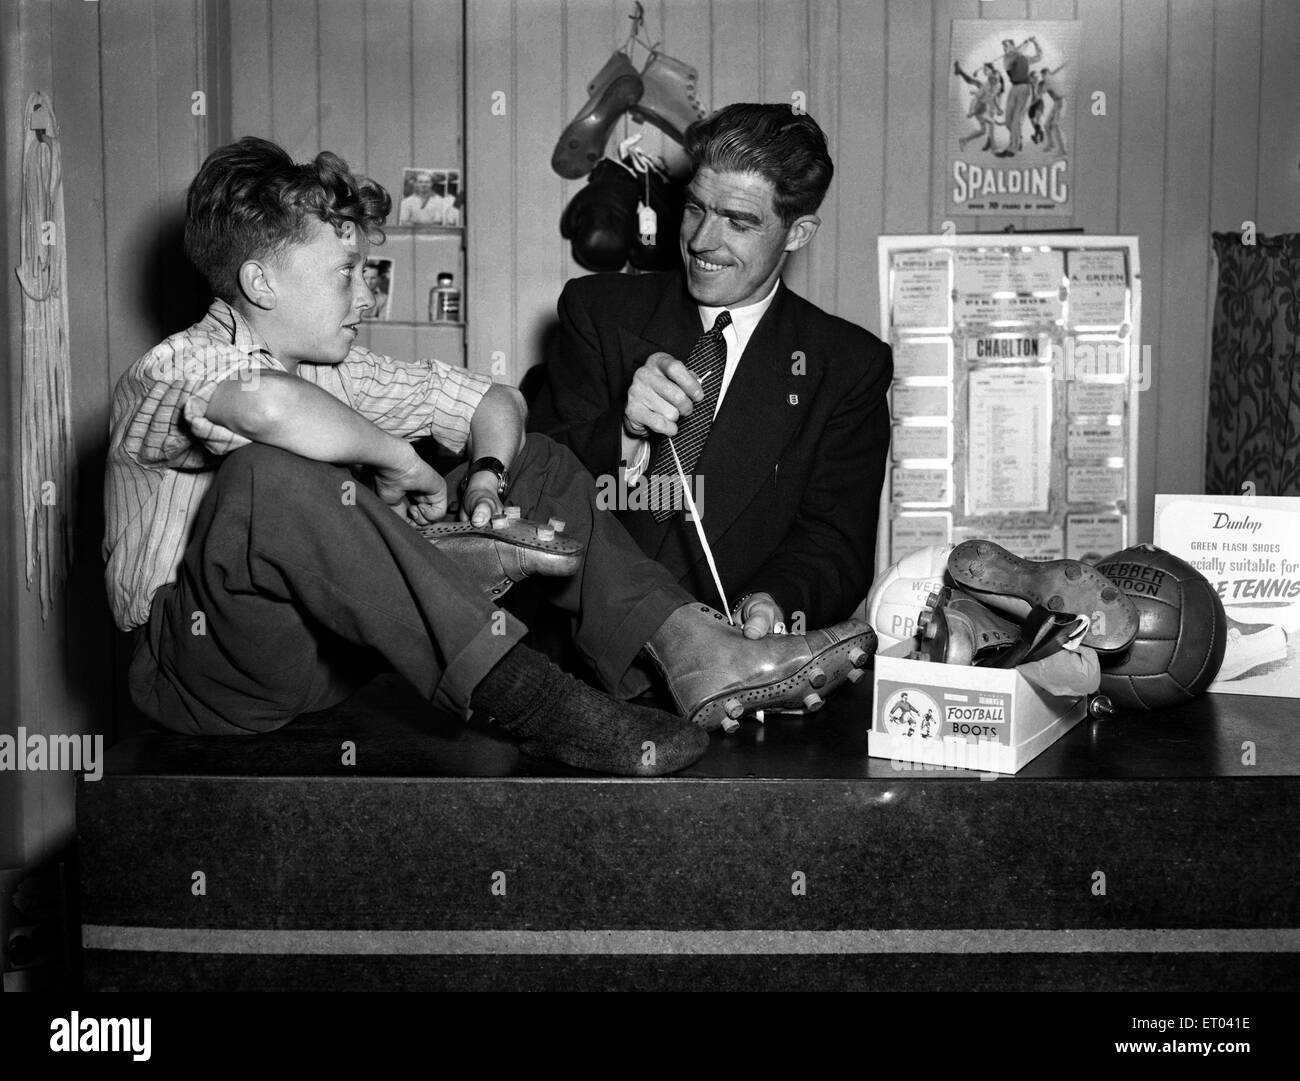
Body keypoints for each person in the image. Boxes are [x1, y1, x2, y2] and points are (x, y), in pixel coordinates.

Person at [104, 136, 874, 779]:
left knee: (536, 456)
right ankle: (535, 700)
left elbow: (494, 402)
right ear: (259, 282)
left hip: (321, 656)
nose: (366, 297)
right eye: (346, 276)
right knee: (266, 475)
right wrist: (400, 465)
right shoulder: (172, 365)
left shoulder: (336, 369)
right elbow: (266, 407)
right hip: (197, 667)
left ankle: (694, 651)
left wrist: (486, 475)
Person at [530, 103, 892, 641]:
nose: (701, 241)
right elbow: (534, 486)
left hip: (725, 665)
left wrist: (772, 603)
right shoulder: (597, 312)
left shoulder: (847, 366)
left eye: (739, 222)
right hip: (573, 659)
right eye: (696, 208)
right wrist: (624, 435)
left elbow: (833, 543)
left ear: (799, 233)